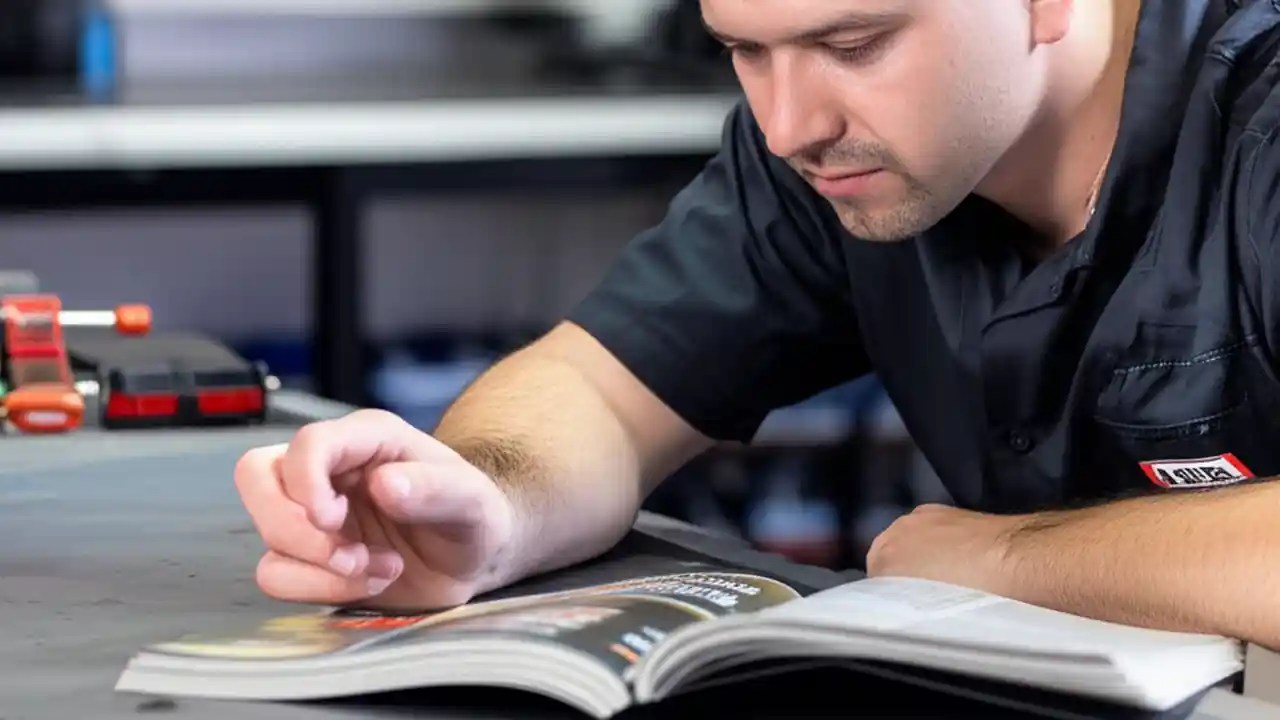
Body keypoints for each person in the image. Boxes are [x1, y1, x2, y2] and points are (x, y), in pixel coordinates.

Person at [234, 0, 1280, 648]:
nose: (788, 127)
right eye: (744, 49)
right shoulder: (840, 159)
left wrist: (1002, 563)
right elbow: (600, 387)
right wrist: (483, 508)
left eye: (853, 44)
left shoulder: (1261, 122)